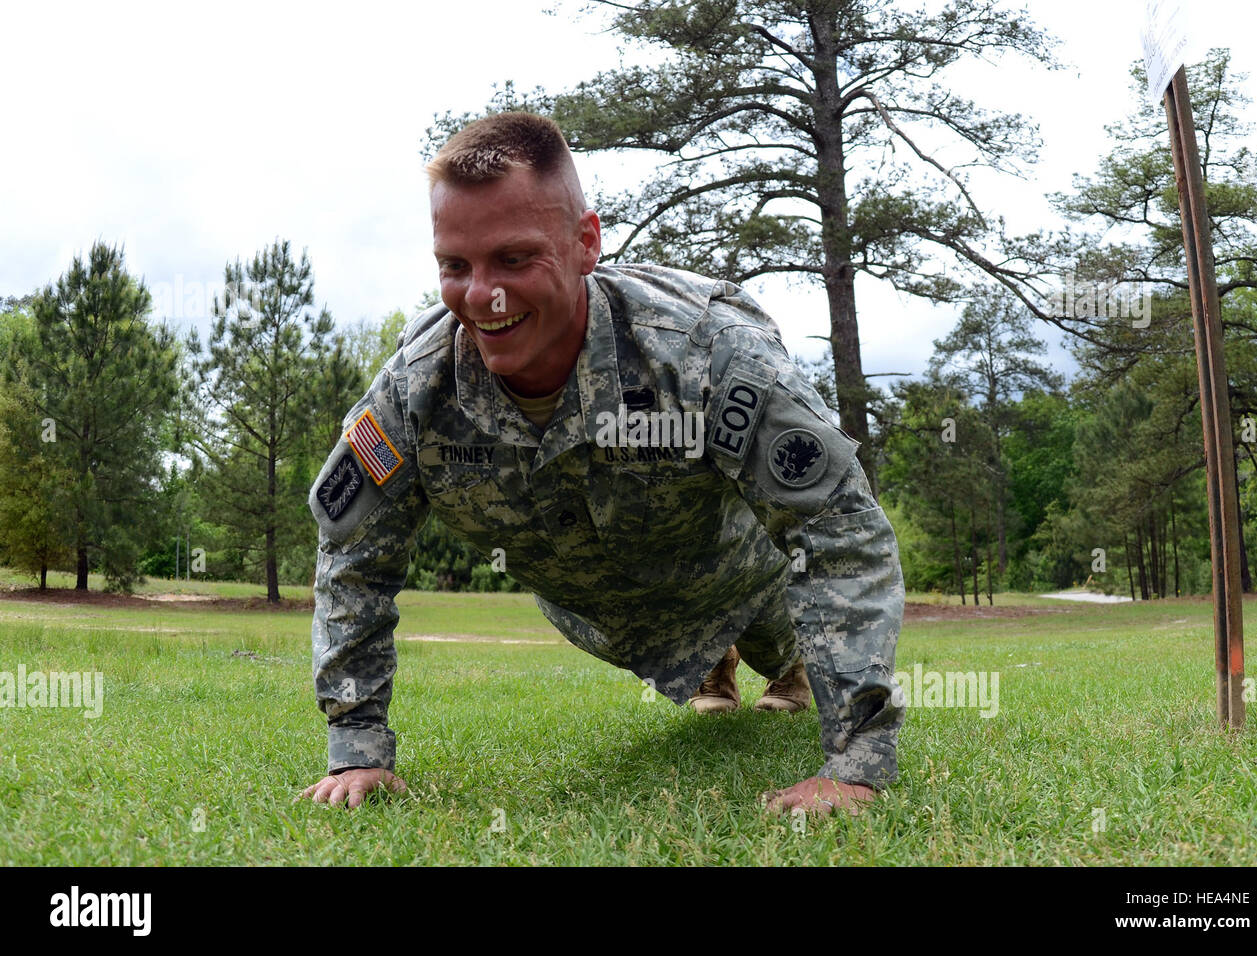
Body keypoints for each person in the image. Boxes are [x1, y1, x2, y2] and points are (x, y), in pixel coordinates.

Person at [299, 112, 905, 817]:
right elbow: (352, 557)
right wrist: (357, 747)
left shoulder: (705, 353)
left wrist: (856, 764)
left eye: (516, 259)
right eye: (455, 266)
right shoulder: (414, 391)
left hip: (739, 577)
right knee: (679, 642)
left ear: (586, 243)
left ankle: (780, 665)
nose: (483, 295)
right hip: (604, 620)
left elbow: (838, 529)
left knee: (781, 641)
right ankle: (712, 662)